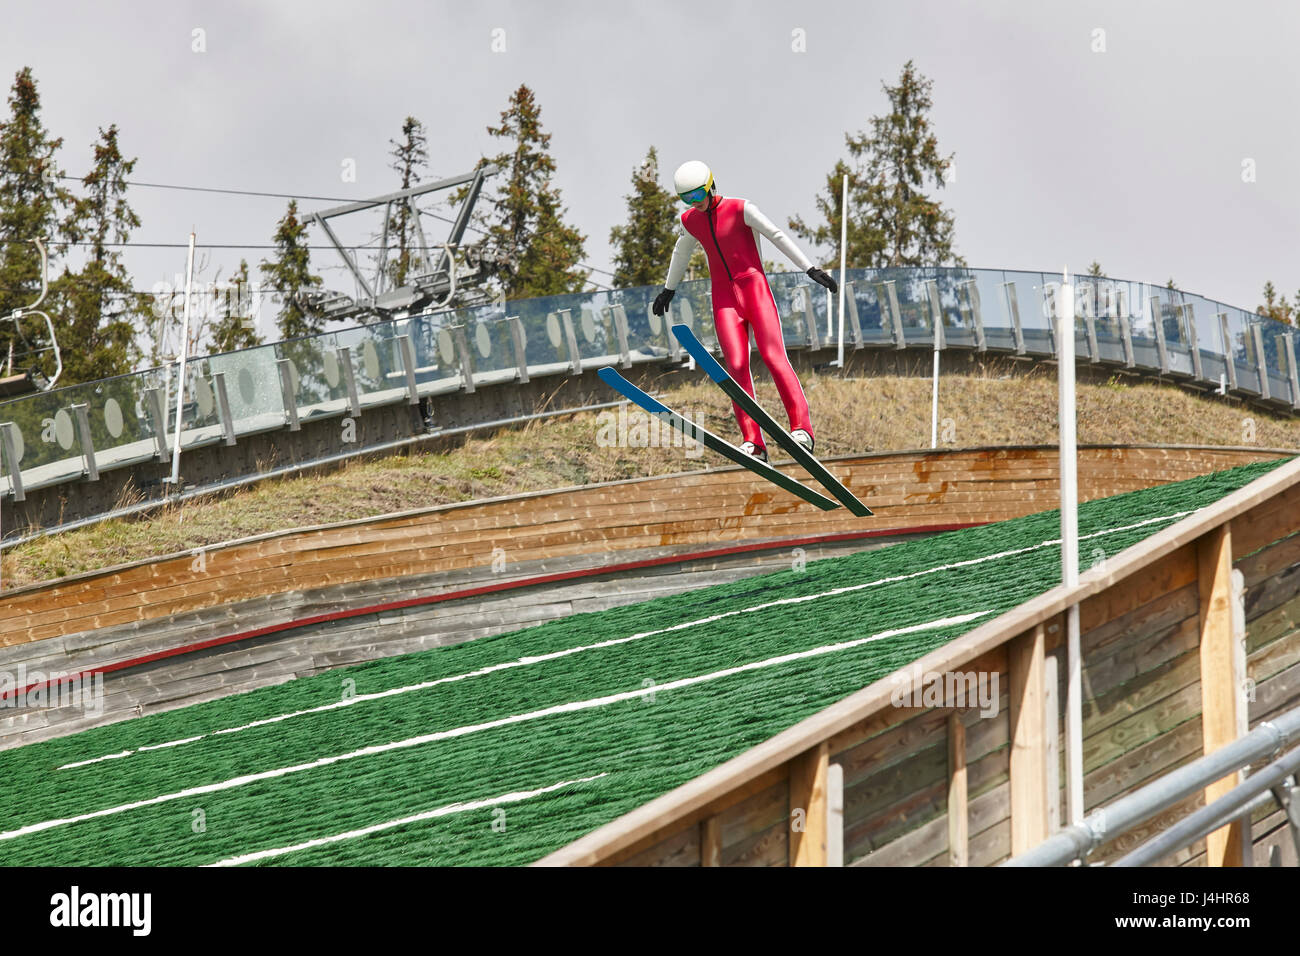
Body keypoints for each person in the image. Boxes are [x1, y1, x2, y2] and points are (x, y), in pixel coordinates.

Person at [651, 160, 837, 463]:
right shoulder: (690, 221)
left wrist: (810, 268)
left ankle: (802, 429)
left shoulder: (741, 209)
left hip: (755, 292)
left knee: (773, 356)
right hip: (724, 300)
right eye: (687, 198)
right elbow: (680, 252)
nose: (694, 203)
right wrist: (668, 289)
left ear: (711, 185)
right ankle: (753, 442)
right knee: (736, 367)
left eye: (698, 195)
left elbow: (777, 235)